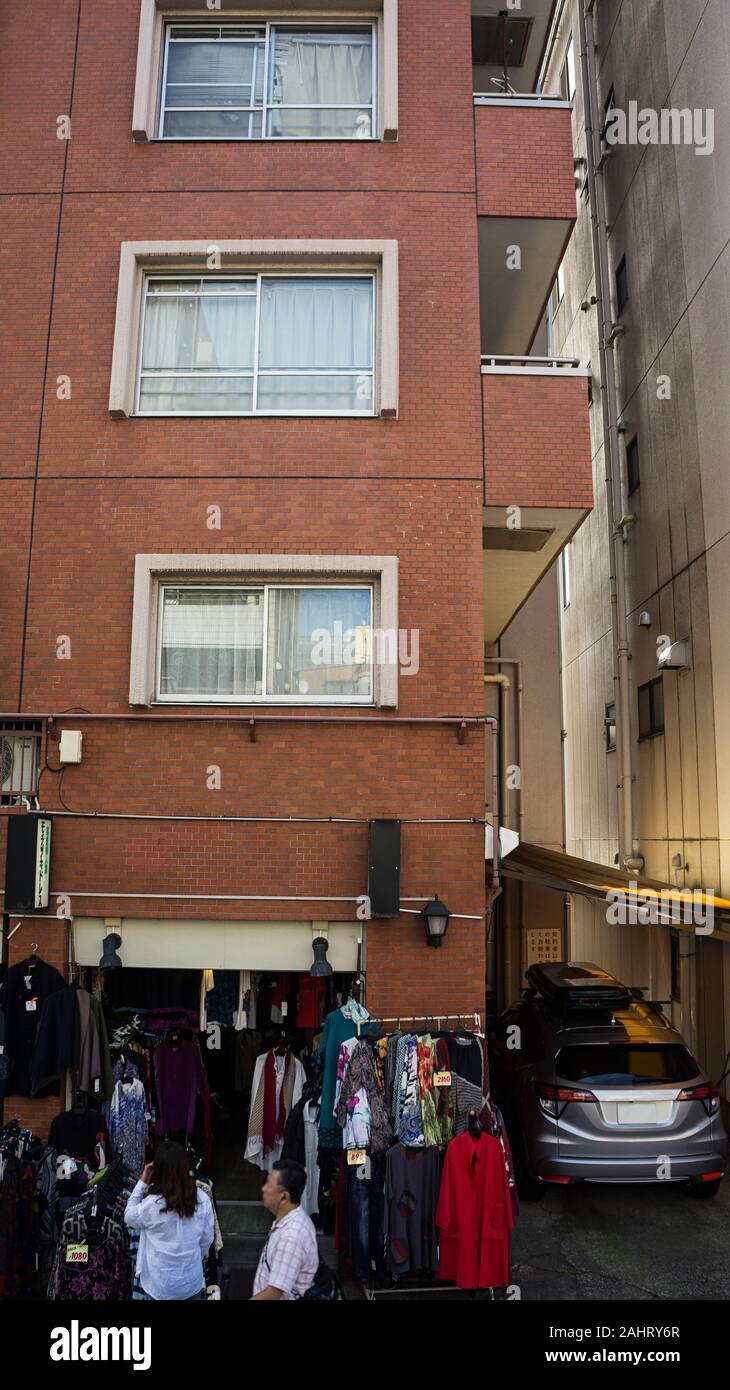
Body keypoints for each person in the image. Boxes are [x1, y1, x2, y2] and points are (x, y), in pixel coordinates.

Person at [124, 1140, 214, 1301]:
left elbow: (129, 1216)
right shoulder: (202, 1199)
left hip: (159, 1284)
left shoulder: (151, 1204)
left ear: (158, 1170)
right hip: (190, 1282)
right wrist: (189, 1260)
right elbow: (207, 1239)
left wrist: (143, 1180)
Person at [251, 1159, 319, 1300]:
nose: (264, 1188)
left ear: (284, 1197)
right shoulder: (289, 1218)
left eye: (269, 1183)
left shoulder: (291, 1237)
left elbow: (273, 1294)